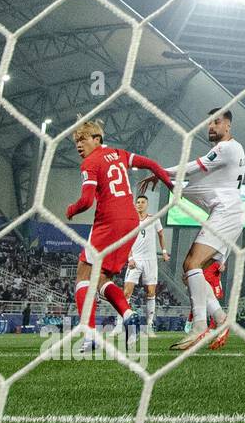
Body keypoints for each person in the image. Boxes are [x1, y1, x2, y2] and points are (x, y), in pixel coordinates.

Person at [141, 108, 244, 352]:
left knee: (191, 266)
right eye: (209, 123)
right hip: (227, 213)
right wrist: (164, 177)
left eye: (216, 122)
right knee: (189, 269)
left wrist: (159, 170)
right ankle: (220, 319)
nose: (211, 127)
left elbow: (192, 168)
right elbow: (197, 182)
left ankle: (199, 327)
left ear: (227, 126)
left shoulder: (225, 148)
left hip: (226, 213)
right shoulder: (230, 151)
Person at [67, 119, 173, 353]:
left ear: (97, 139)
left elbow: (86, 201)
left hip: (109, 220)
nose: (78, 145)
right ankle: (128, 314)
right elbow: (153, 164)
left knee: (83, 273)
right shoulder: (119, 154)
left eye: (82, 139)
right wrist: (171, 185)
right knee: (102, 278)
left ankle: (89, 333)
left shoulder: (90, 163)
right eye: (76, 141)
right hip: (131, 222)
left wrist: (71, 209)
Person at [123, 194, 169, 337]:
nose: (140, 204)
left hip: (150, 260)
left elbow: (161, 235)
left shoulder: (153, 219)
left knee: (151, 292)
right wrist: (129, 257)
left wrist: (164, 252)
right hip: (135, 260)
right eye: (138, 202)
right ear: (135, 204)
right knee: (126, 292)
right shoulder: (130, 220)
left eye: (143, 202)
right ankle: (120, 324)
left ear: (147, 204)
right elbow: (126, 240)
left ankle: (149, 325)